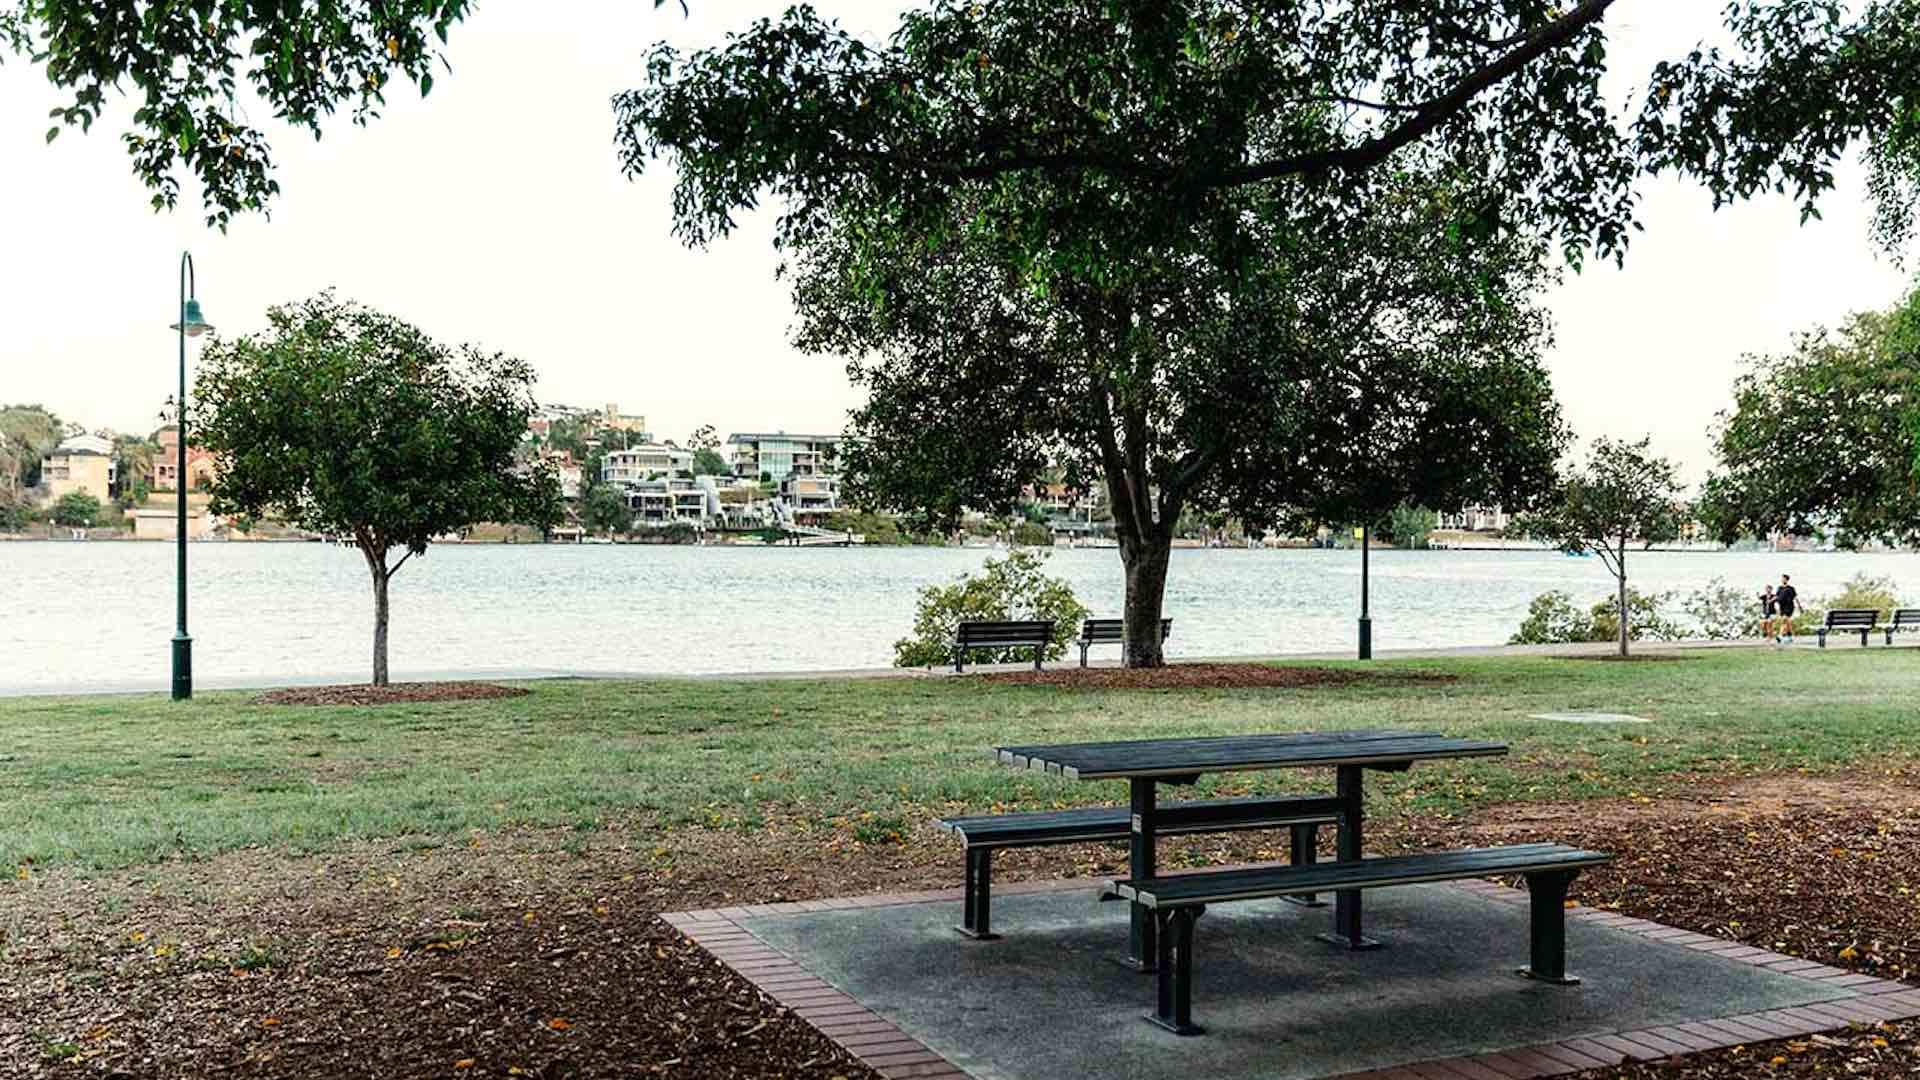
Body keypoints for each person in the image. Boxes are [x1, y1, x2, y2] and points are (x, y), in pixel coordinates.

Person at [1775, 574, 1799, 644]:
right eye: (1782, 578)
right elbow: (1777, 597)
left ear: (1787, 580)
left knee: (1784, 620)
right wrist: (1772, 602)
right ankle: (1790, 636)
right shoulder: (1779, 588)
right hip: (1782, 607)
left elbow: (1795, 598)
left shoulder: (1791, 588)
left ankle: (1780, 636)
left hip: (1789, 606)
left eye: (1784, 578)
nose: (1782, 580)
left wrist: (1799, 606)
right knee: (1787, 622)